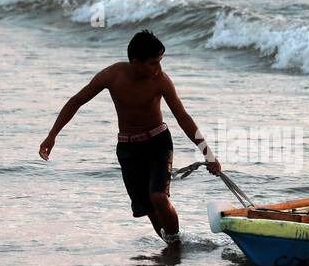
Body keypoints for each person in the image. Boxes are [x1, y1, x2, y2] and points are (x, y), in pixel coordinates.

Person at [39, 29, 221, 242]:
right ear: (136, 62)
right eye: (153, 63)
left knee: (159, 197)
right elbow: (76, 101)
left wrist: (208, 154)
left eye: (160, 61)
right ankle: (171, 249)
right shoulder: (112, 75)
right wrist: (52, 135)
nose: (159, 68)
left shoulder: (160, 81)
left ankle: (175, 243)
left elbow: (183, 117)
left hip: (158, 143)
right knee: (148, 208)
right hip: (128, 149)